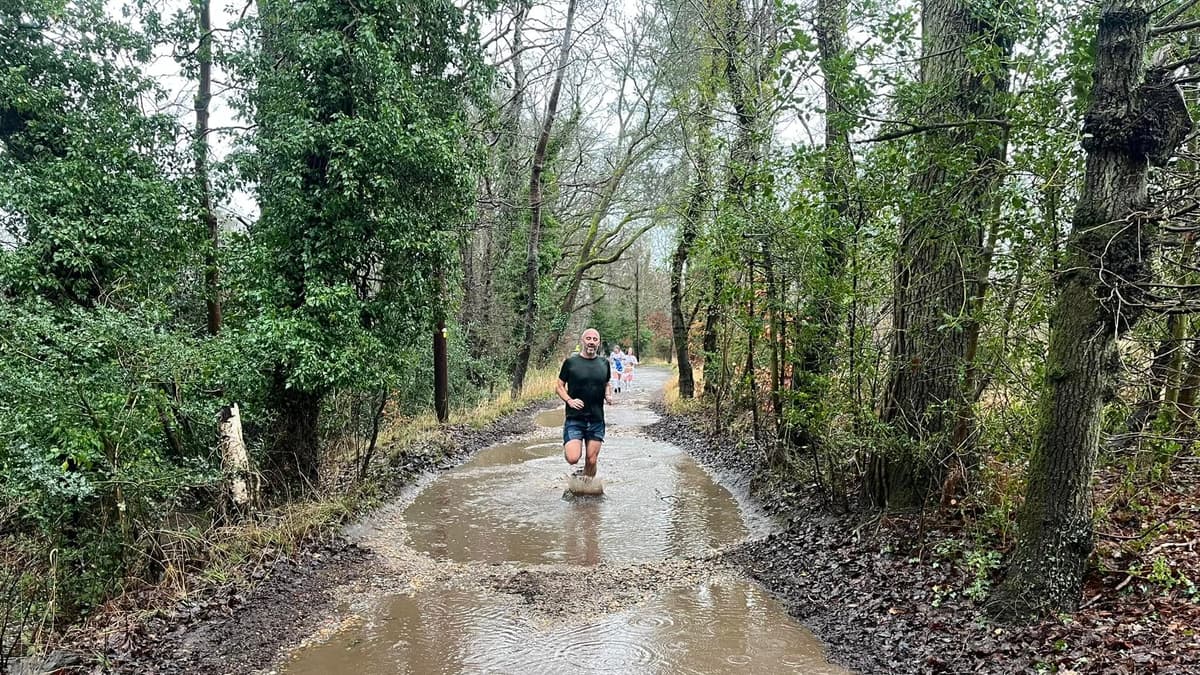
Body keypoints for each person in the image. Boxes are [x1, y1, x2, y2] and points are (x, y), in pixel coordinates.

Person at [557, 328, 613, 478]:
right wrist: (569, 400)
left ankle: (585, 485)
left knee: (592, 460)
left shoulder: (604, 363)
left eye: (595, 339)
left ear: (599, 343)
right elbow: (559, 386)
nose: (591, 342)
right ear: (582, 341)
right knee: (573, 458)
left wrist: (608, 395)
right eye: (588, 338)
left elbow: (607, 383)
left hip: (596, 419)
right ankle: (570, 449)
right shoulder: (571, 362)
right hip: (575, 418)